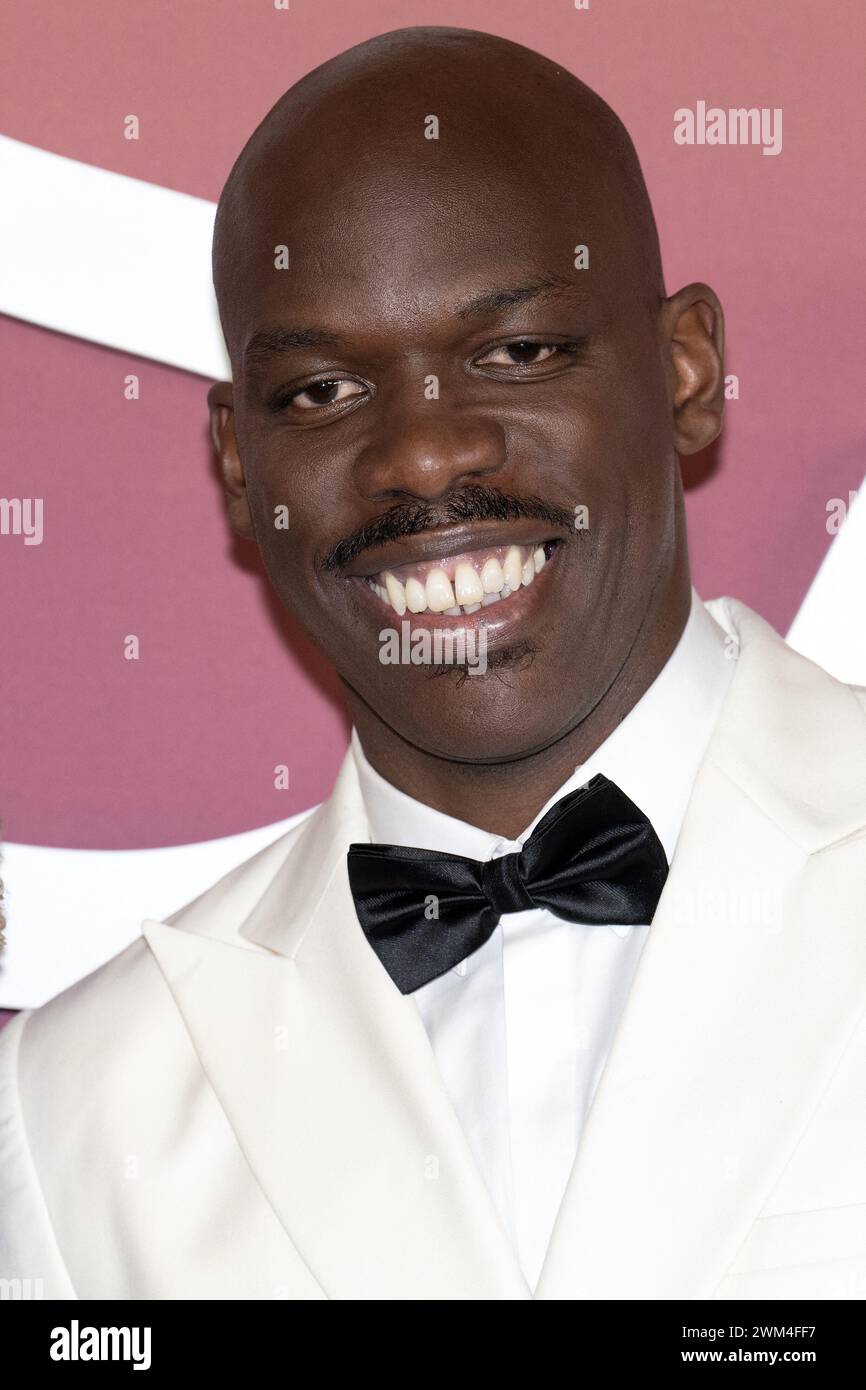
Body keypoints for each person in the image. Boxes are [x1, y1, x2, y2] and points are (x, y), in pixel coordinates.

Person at [2, 26, 865, 1301]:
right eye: (320, 393)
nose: (419, 456)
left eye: (514, 354)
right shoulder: (74, 1113)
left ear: (685, 372)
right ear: (239, 465)